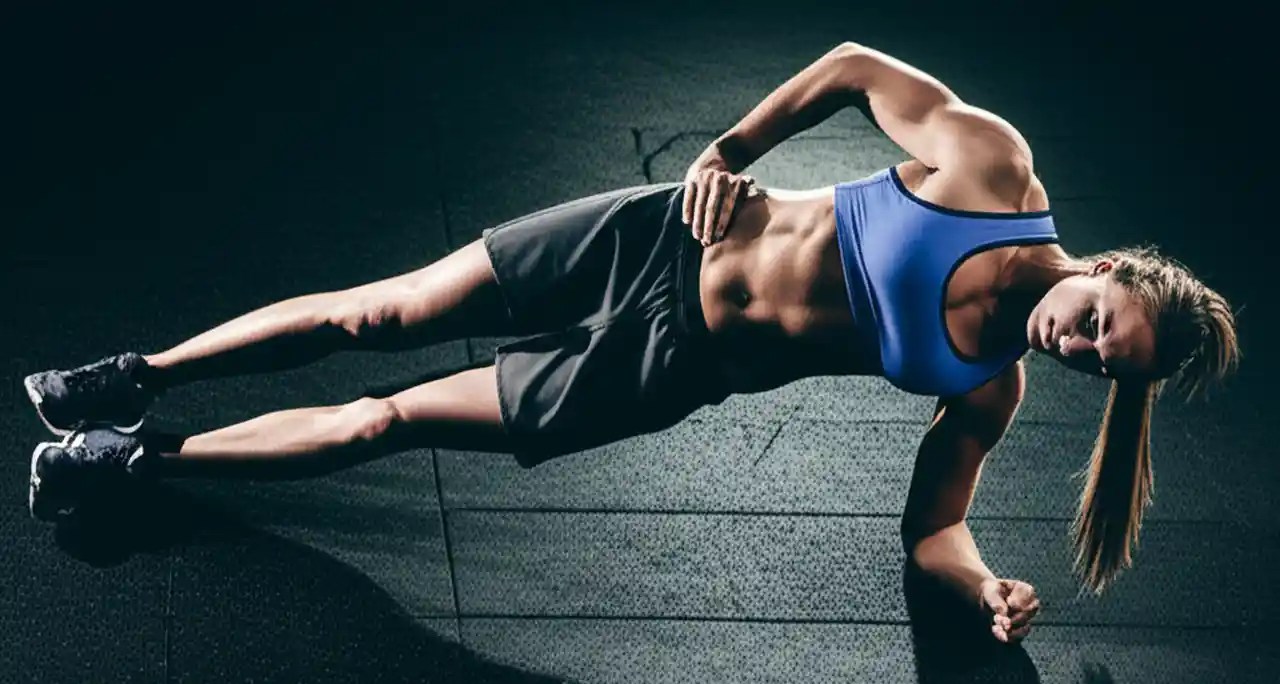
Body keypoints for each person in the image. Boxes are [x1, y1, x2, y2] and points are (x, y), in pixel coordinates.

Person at [23, 42, 1239, 643]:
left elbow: (928, 528)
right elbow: (853, 67)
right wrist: (727, 153)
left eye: (1094, 363)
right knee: (372, 314)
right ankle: (140, 374)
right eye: (1095, 323)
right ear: (1109, 271)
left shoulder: (987, 387)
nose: (1073, 346)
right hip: (651, 238)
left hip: (662, 370)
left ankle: (140, 462)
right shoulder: (993, 171)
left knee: (384, 422)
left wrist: (982, 586)